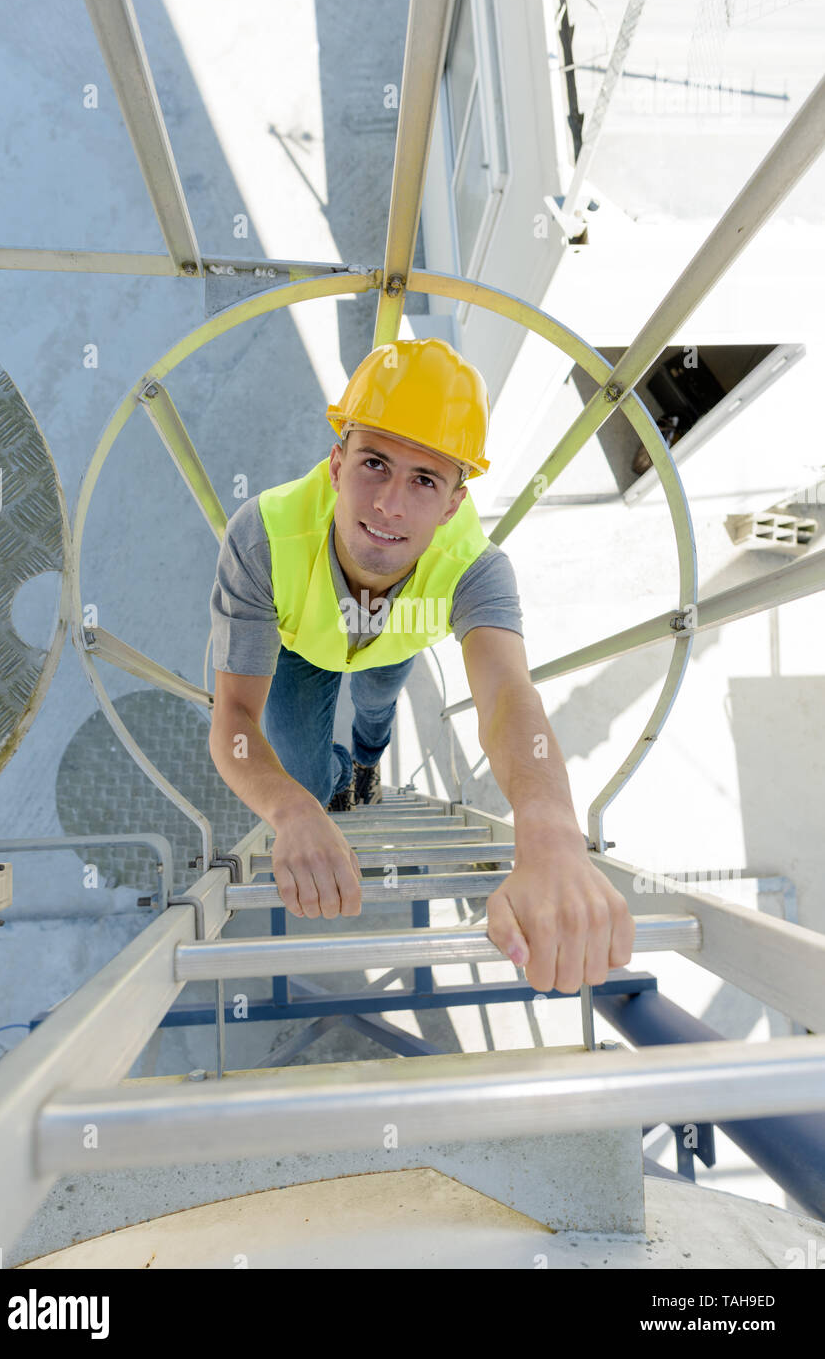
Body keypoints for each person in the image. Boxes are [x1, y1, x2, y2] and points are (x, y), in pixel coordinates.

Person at [209, 337, 634, 996]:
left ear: (453, 504)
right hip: (298, 645)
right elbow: (234, 717)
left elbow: (506, 696)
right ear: (335, 463)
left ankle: (366, 764)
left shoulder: (477, 568)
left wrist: (549, 831)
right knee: (300, 767)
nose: (389, 505)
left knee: (377, 709)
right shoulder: (263, 536)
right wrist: (293, 812)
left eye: (425, 480)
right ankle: (334, 784)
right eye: (374, 463)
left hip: (394, 643)